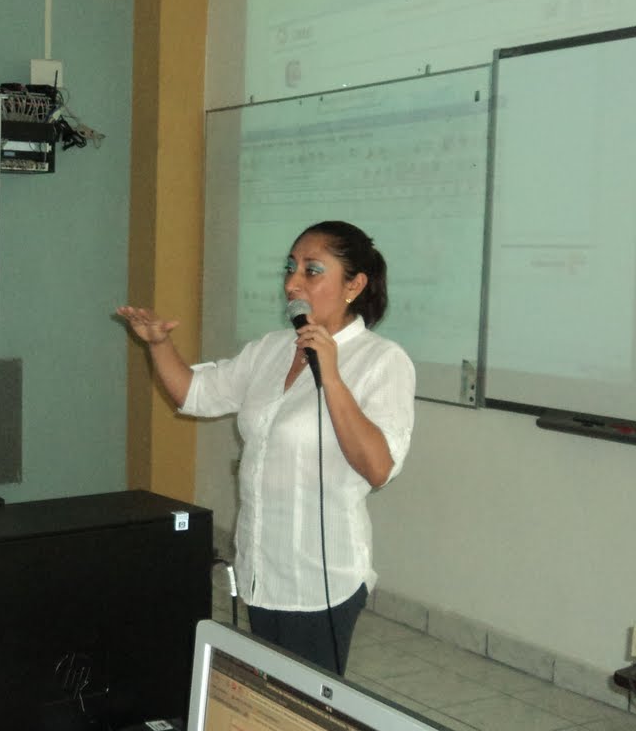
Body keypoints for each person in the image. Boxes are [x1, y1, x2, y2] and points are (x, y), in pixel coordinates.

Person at [117, 220, 414, 674]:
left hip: (321, 579)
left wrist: (331, 374)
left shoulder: (382, 361)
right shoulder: (273, 349)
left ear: (354, 284)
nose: (292, 282)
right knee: (266, 702)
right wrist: (159, 345)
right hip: (260, 568)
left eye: (312, 270)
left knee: (307, 717)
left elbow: (378, 467)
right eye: (290, 267)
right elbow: (195, 394)